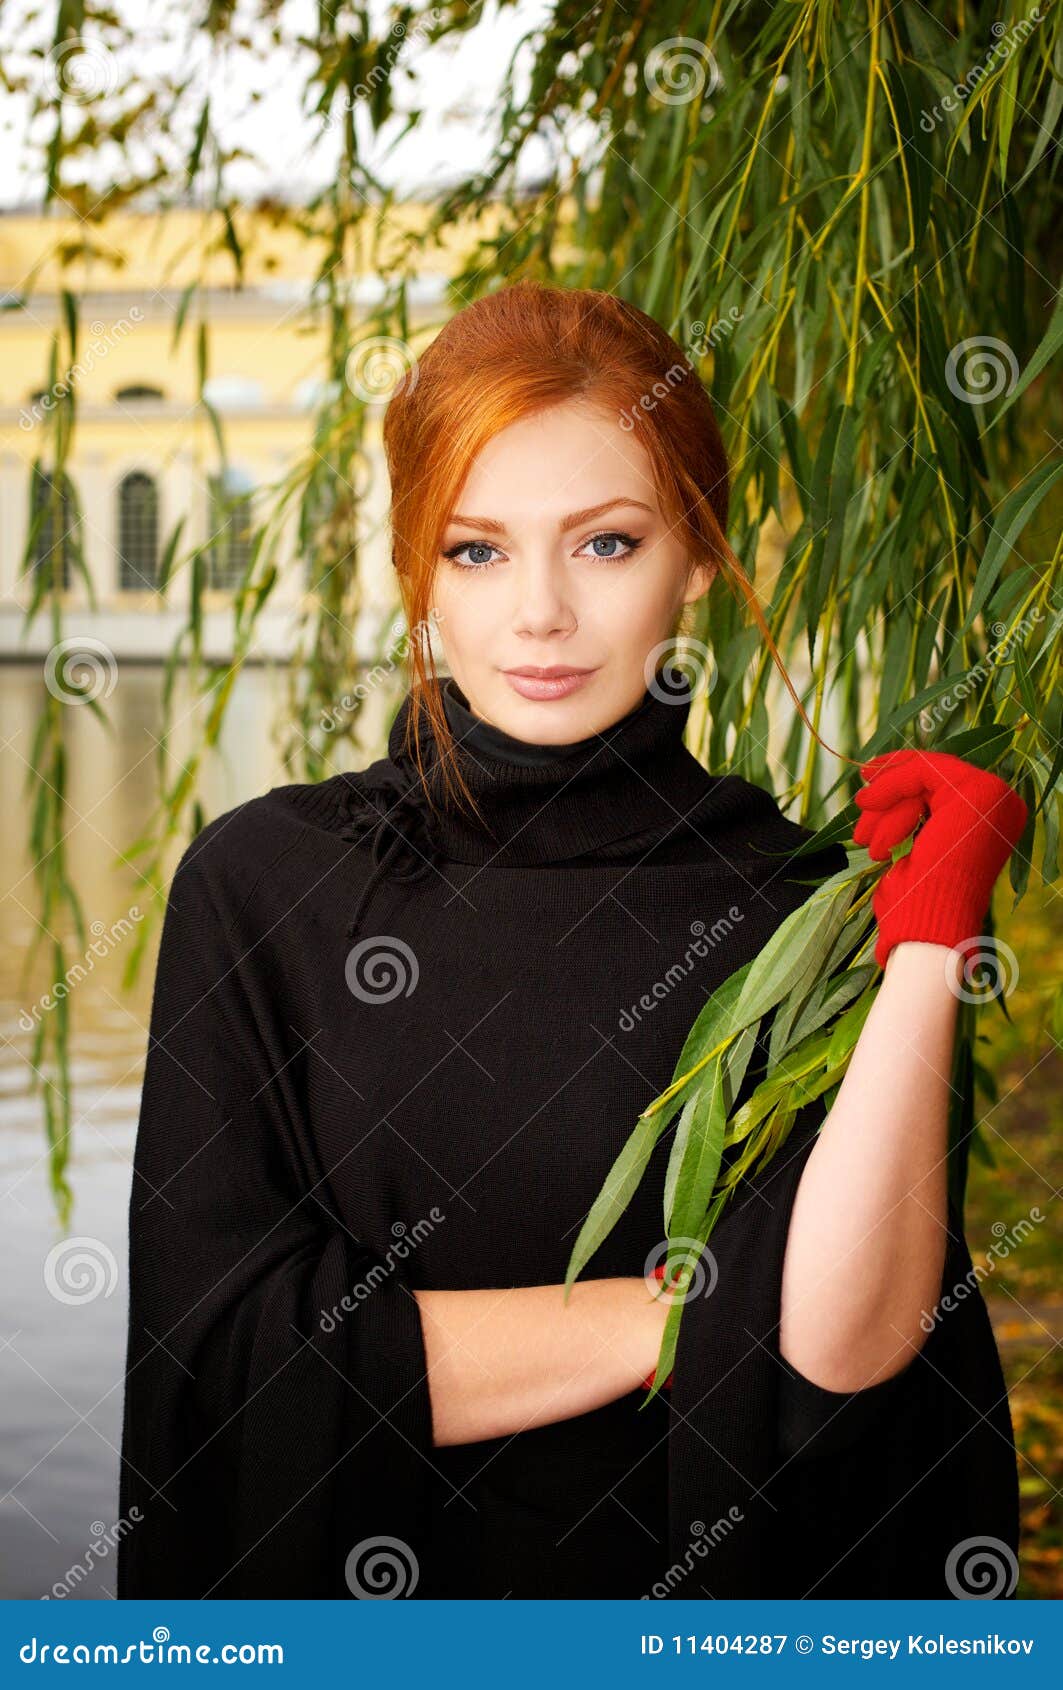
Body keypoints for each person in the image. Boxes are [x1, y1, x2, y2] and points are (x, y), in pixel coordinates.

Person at [117, 281, 1025, 1600]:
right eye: (475, 549)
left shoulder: (802, 906)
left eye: (604, 543)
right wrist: (688, 1316)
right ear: (414, 559)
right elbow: (225, 1373)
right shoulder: (264, 888)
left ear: (699, 552)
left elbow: (843, 1355)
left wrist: (931, 947)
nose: (538, 613)